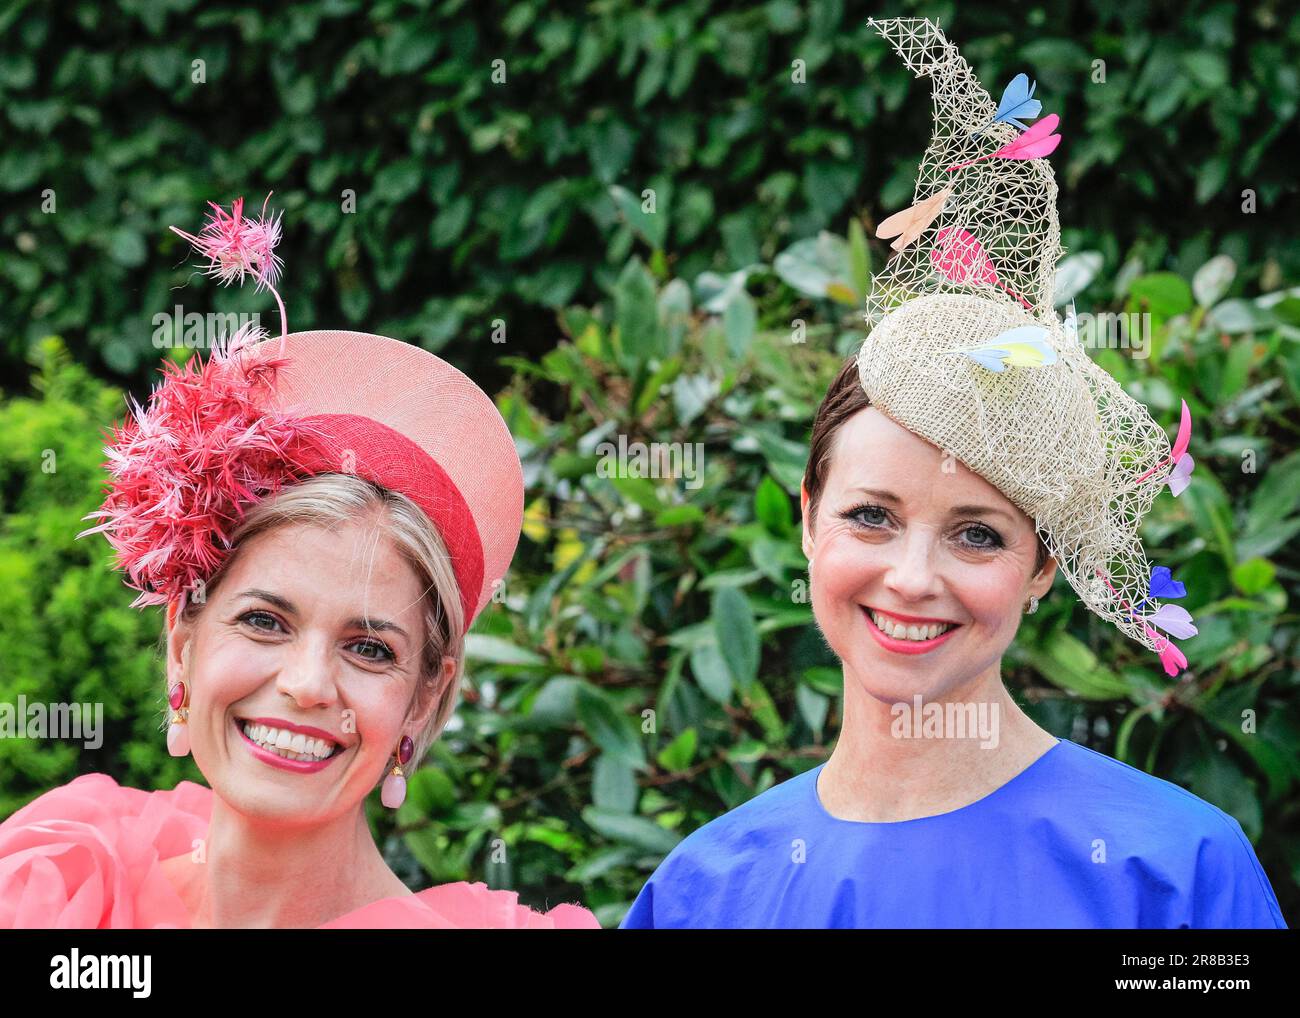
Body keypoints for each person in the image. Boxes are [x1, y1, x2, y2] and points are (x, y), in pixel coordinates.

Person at [620, 17, 1288, 930]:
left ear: (1044, 564)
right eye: (870, 516)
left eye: (979, 532)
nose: (913, 578)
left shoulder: (1170, 874)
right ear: (807, 517)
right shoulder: (704, 891)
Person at [0, 196, 599, 930]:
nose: (309, 684)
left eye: (370, 648)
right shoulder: (54, 891)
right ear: (182, 647)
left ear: (421, 699)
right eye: (263, 621)